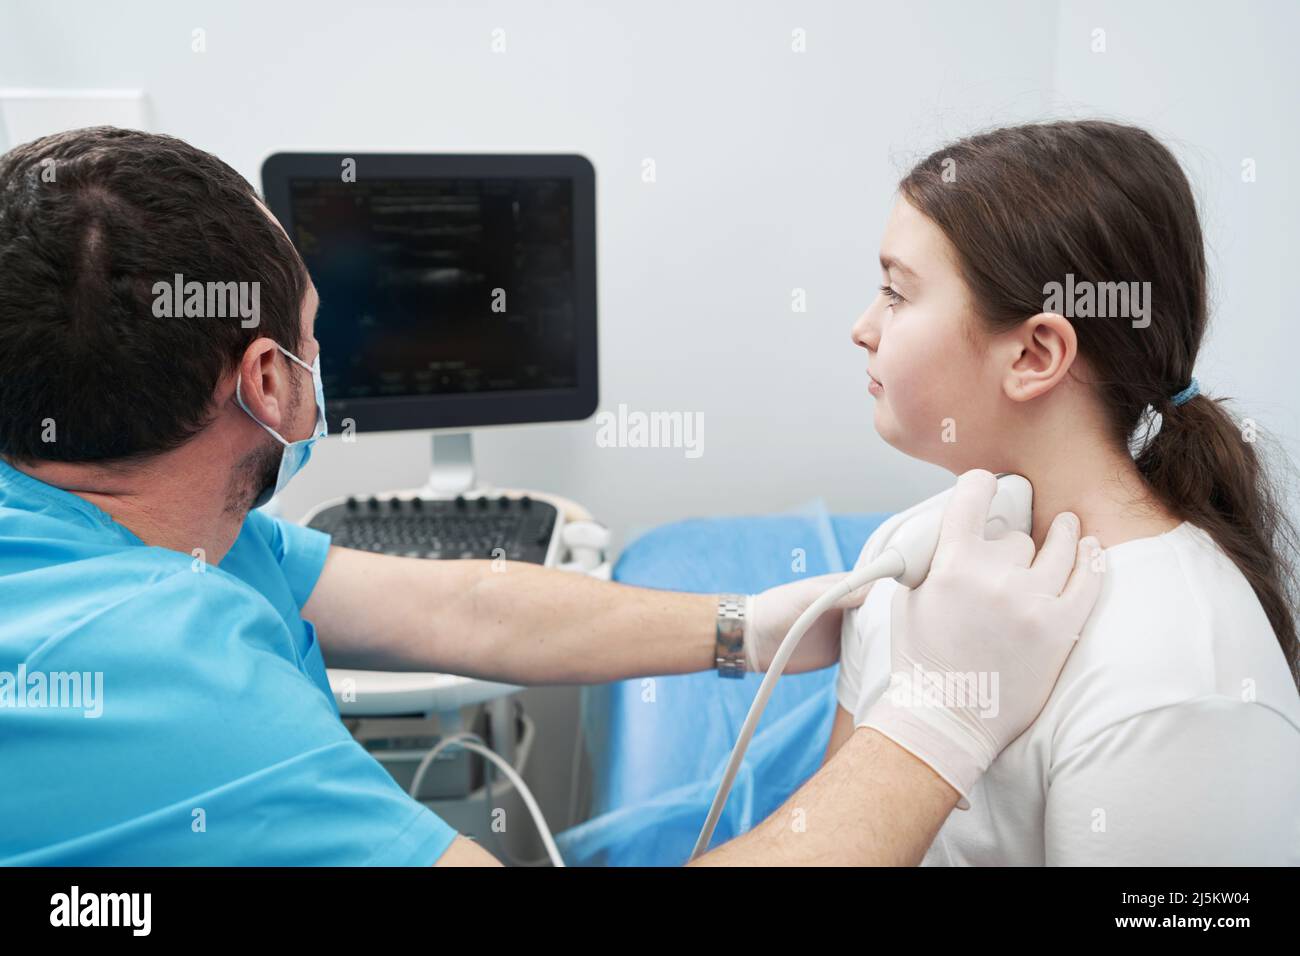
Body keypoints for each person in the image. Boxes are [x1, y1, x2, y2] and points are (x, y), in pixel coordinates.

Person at [0, 127, 1097, 866]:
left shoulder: (125, 511)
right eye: (314, 334)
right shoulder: (174, 688)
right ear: (265, 379)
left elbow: (458, 607)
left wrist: (744, 629)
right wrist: (938, 725)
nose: (863, 325)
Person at [828, 120, 1300, 865]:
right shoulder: (903, 559)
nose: (862, 328)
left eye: (896, 293)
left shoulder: (1181, 682)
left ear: (1035, 353)